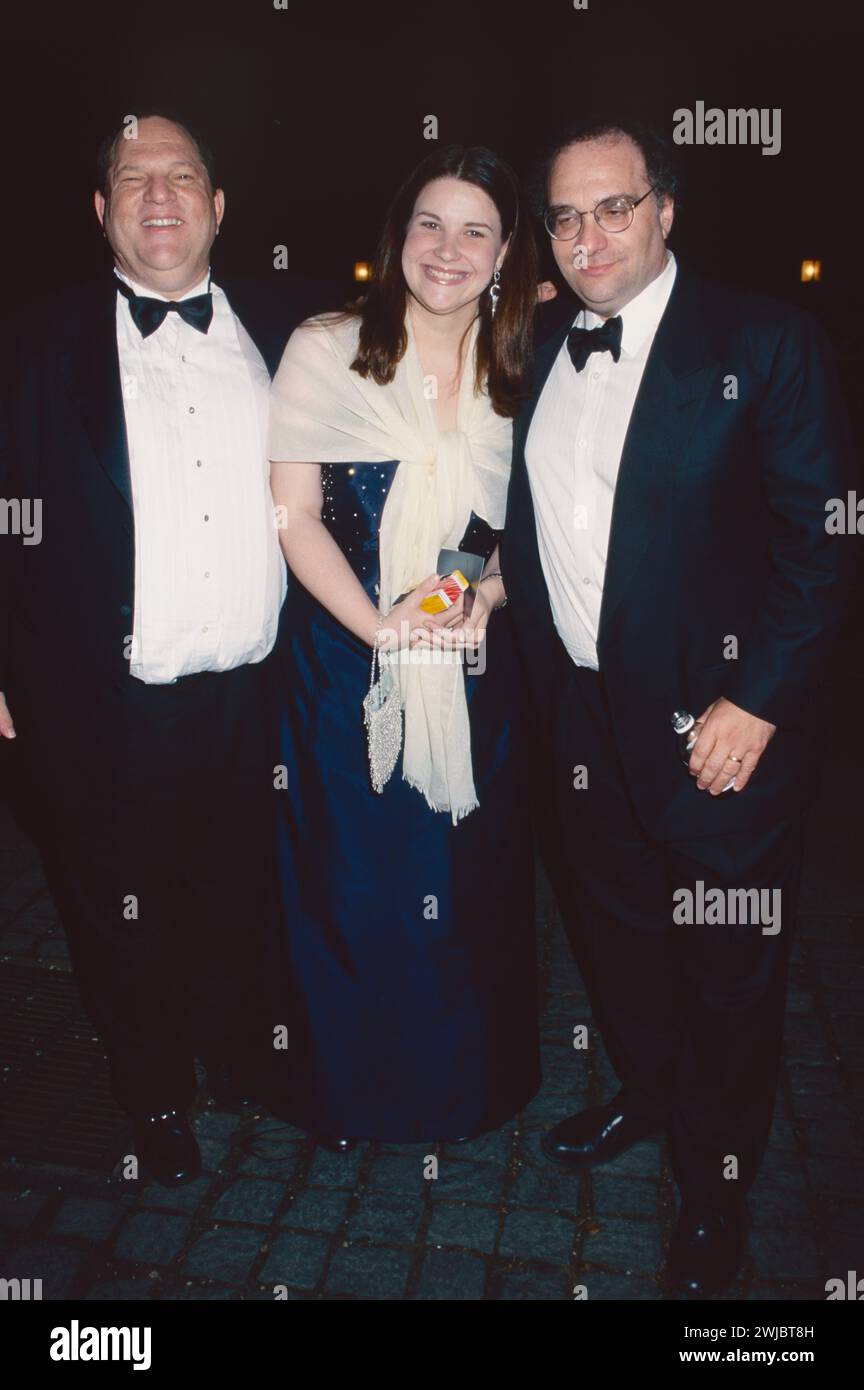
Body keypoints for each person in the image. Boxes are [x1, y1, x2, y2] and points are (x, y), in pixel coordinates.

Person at [501, 118, 857, 1296]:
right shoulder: (546, 339)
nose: (588, 233)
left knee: (729, 970)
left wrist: (756, 701)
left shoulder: (766, 337)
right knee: (617, 940)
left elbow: (823, 538)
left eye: (613, 206)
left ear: (666, 210)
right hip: (582, 724)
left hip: (720, 734)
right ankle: (646, 1096)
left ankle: (715, 1189)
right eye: (565, 214)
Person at [0, 113, 320, 1186]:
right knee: (117, 903)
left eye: (181, 176)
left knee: (238, 887)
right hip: (100, 693)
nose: (159, 196)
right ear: (101, 212)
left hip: (257, 690)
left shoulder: (287, 331)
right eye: (133, 180)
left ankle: (234, 1054)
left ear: (219, 207)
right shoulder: (33, 341)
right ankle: (151, 1094)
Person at [267, 145, 541, 1146]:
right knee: (348, 878)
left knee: (463, 874)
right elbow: (293, 516)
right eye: (431, 221)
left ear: (507, 250)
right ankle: (346, 1090)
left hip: (467, 665)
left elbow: (522, 532)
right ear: (400, 235)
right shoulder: (327, 345)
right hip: (344, 665)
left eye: (477, 229)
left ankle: (457, 1086)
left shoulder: (525, 367)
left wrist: (488, 596)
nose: (449, 247)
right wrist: (382, 629)